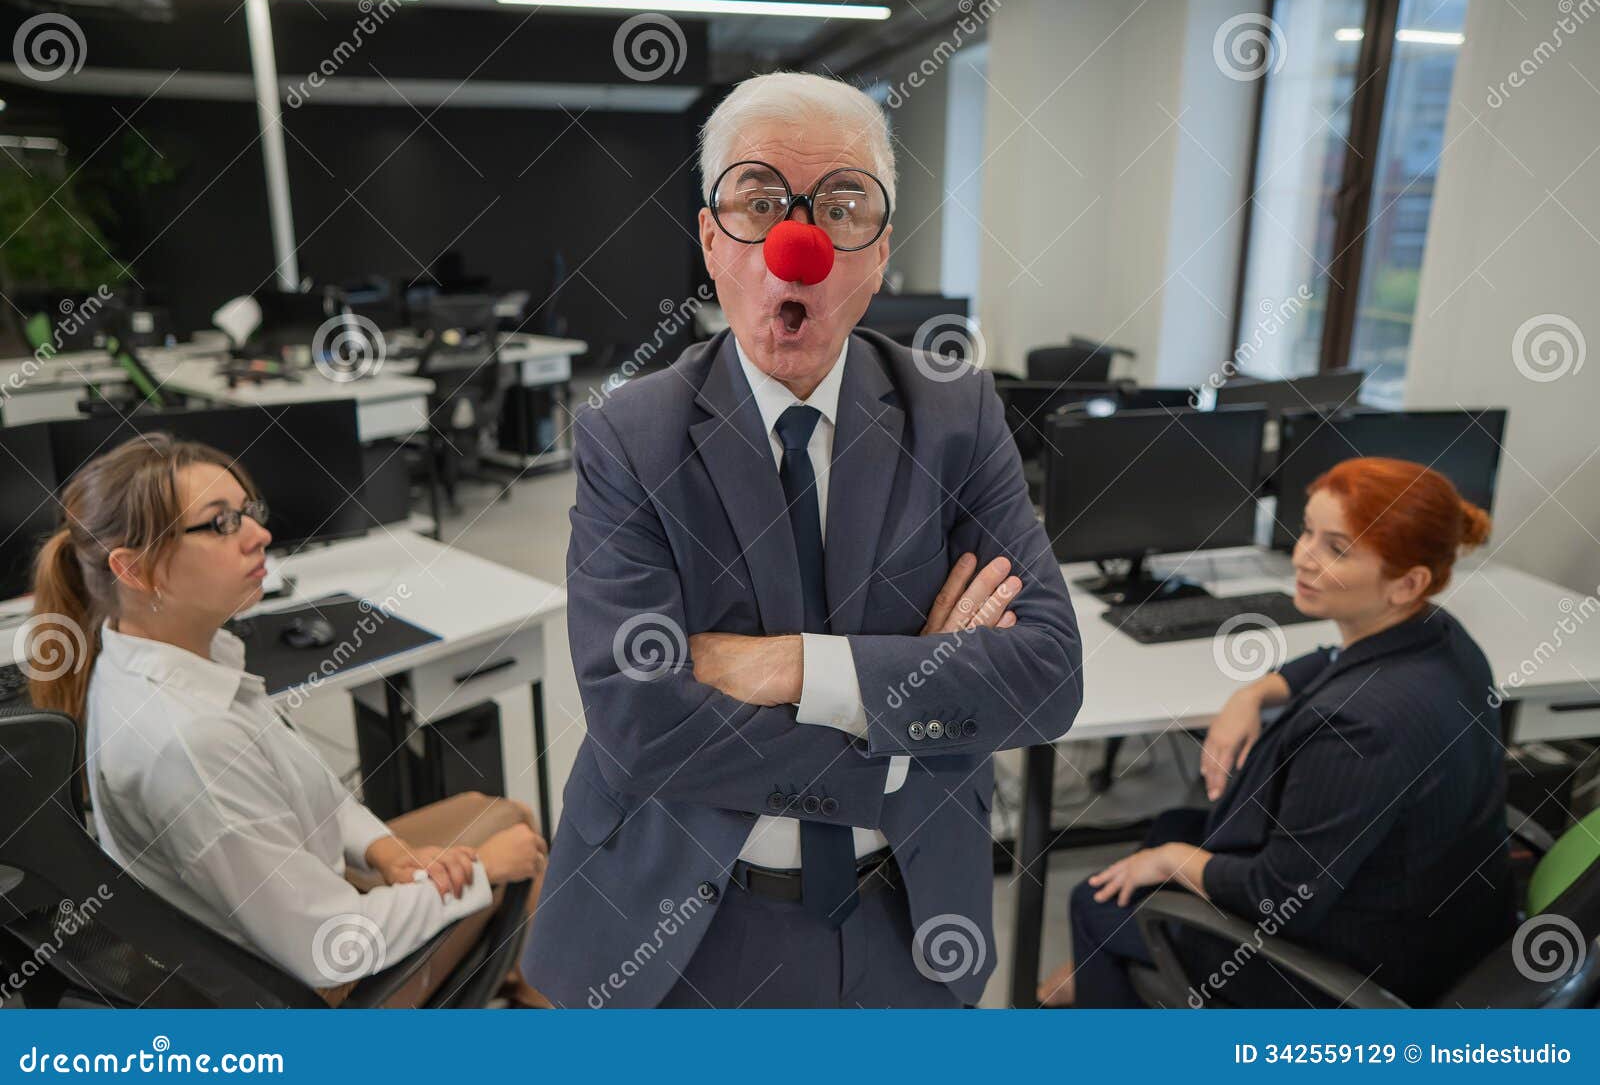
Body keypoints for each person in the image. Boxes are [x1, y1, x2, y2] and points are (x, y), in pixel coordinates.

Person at [522, 71, 1084, 1008]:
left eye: (842, 205)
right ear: (711, 240)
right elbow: (638, 719)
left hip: (906, 917)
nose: (798, 248)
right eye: (758, 203)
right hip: (683, 925)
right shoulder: (629, 434)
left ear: (880, 250)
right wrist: (906, 715)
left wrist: (793, 666)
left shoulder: (956, 413)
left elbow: (1048, 673)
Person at [28, 433, 549, 1006]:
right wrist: (478, 874)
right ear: (135, 570)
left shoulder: (146, 654)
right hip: (317, 982)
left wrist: (388, 852)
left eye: (248, 514)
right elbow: (328, 946)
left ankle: (516, 985)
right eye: (222, 524)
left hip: (282, 919)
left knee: (506, 825)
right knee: (513, 834)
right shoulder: (191, 743)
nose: (261, 536)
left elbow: (308, 787)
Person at [1038, 456, 1515, 1007]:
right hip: (1443, 918)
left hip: (1359, 968)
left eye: (1336, 548)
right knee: (1173, 822)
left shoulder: (1362, 728)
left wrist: (1170, 859)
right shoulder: (1439, 635)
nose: (1303, 557)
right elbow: (1337, 656)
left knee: (1096, 901)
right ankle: (1107, 972)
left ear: (1407, 583)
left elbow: (1276, 897)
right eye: (1308, 532)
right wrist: (1255, 692)